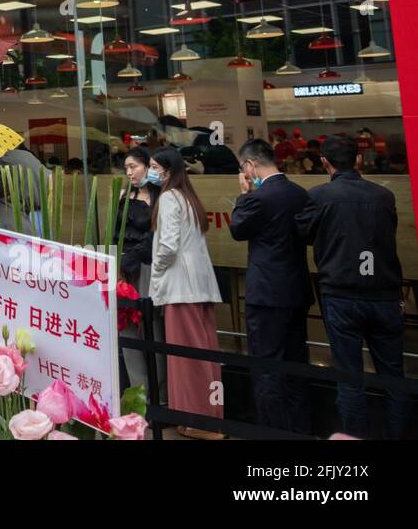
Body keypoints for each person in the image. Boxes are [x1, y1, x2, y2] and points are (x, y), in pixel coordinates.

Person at [296, 135, 408, 439]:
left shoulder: (318, 197)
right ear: (359, 160)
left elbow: (303, 233)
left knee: (349, 379)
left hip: (341, 295)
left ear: (324, 163)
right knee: (394, 379)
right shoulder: (383, 197)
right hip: (384, 295)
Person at [231, 138, 313, 435]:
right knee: (296, 365)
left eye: (243, 168)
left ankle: (272, 431)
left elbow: (238, 229)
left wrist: (243, 195)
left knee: (266, 368)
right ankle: (299, 429)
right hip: (296, 291)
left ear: (251, 165)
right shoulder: (300, 194)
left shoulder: (257, 197)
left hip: (266, 295)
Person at [148, 146, 224, 439]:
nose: (152, 172)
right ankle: (210, 418)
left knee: (186, 359)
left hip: (181, 289)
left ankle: (197, 422)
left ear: (168, 171)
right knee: (205, 355)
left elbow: (168, 246)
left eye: (155, 166)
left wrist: (155, 276)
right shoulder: (188, 196)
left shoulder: (168, 198)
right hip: (201, 287)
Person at [113, 146, 161, 392]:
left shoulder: (162, 198)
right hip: (125, 267)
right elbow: (114, 233)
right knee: (128, 328)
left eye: (134, 166)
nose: (130, 173)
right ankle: (137, 391)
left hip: (149, 266)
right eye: (126, 168)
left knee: (153, 328)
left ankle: (159, 394)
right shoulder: (123, 196)